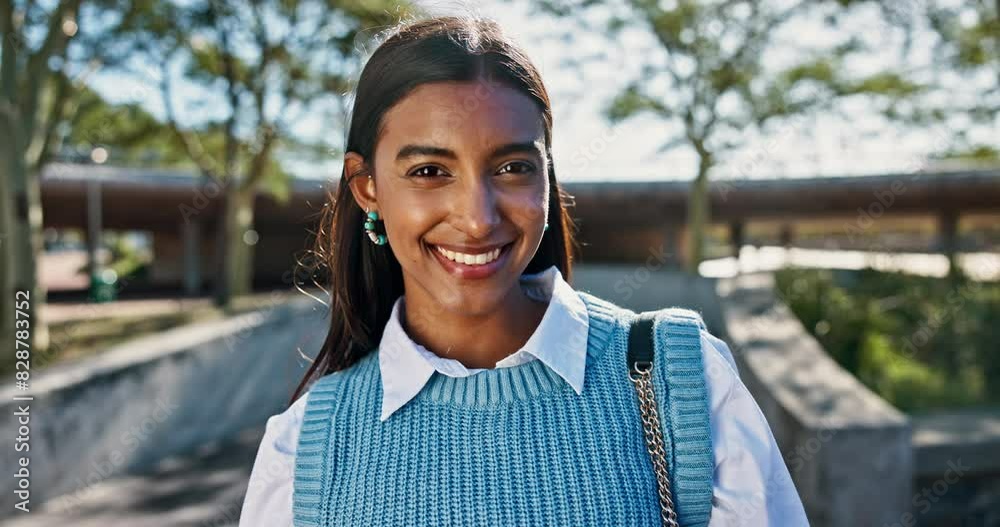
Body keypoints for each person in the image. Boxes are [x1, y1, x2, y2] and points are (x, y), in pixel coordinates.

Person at [239, 14, 809, 527]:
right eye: (430, 171)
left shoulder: (680, 383)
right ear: (367, 188)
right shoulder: (304, 449)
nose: (477, 219)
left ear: (547, 177)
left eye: (512, 167)